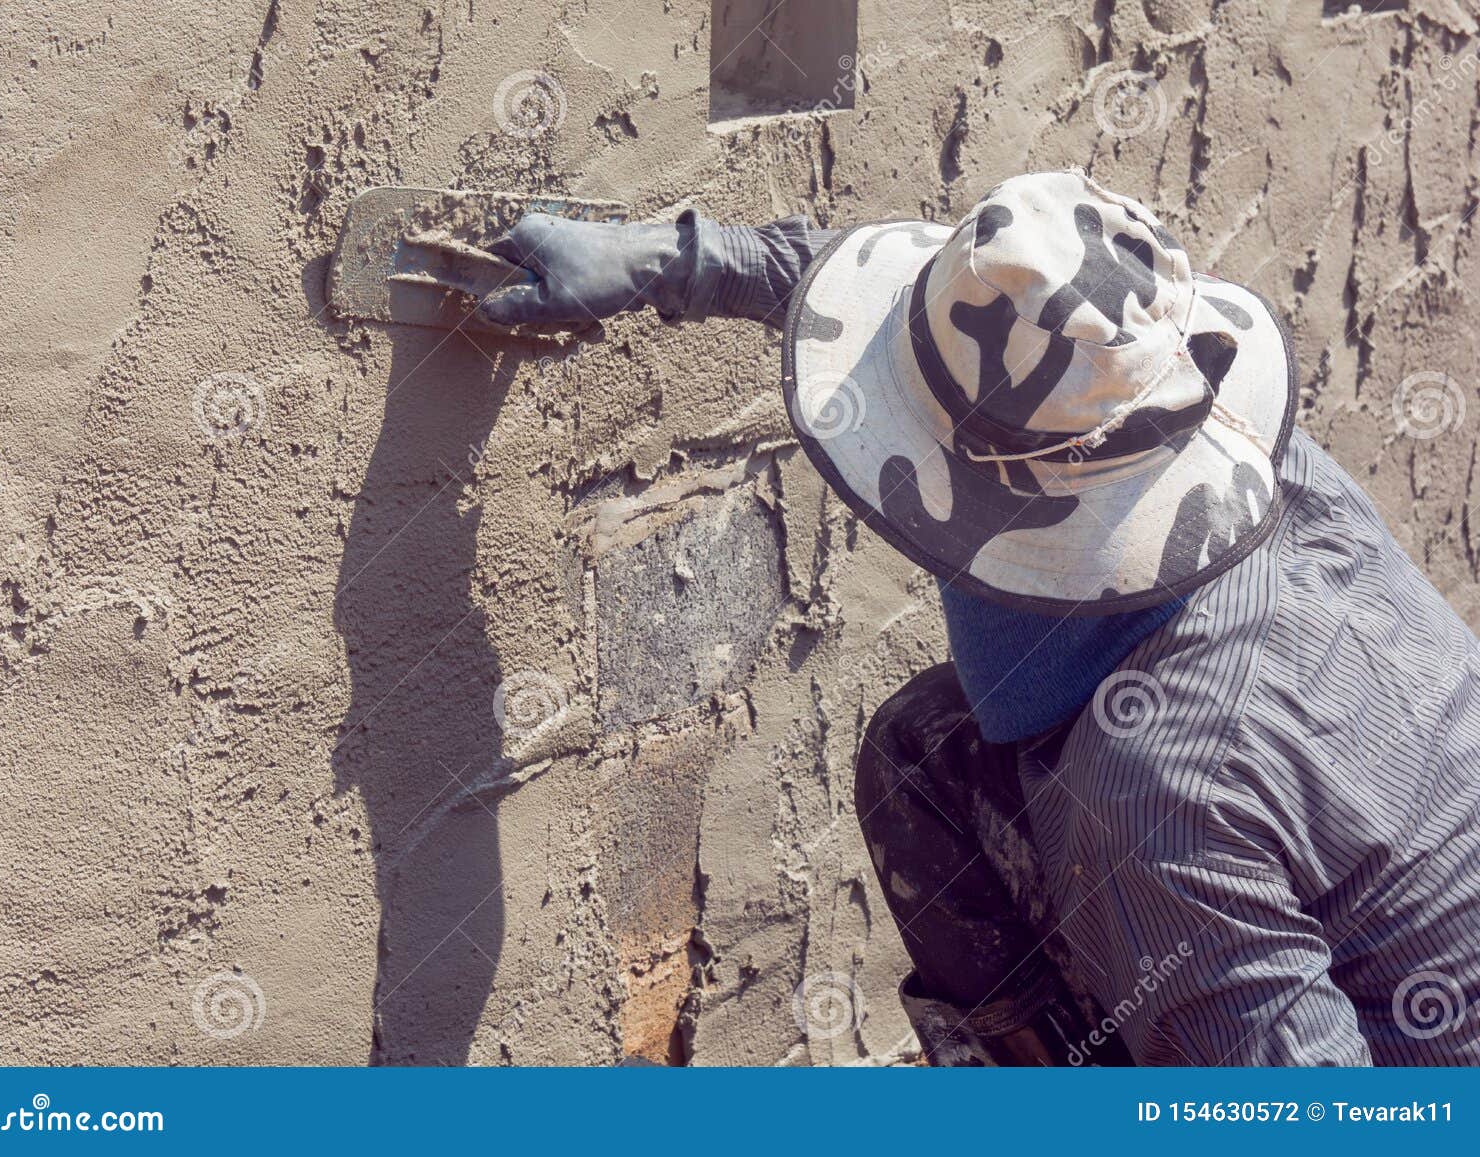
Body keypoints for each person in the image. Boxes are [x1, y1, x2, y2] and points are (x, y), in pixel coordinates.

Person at [480, 170, 1480, 1066]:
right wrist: (673, 261)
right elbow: (945, 331)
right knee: (926, 753)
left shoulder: (1155, 793)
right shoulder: (1241, 444)